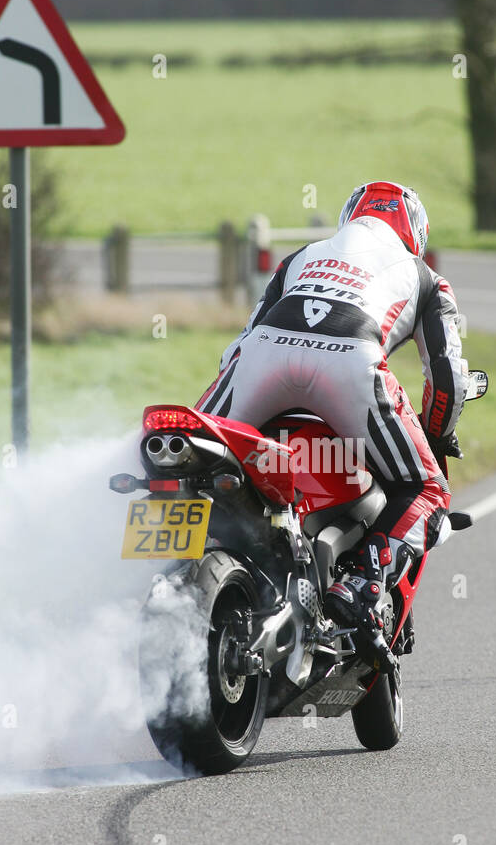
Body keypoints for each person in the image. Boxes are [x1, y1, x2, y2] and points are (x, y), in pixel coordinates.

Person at [196, 180, 468, 670]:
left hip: (261, 359)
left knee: (191, 455)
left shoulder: (301, 256)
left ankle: (144, 564)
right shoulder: (425, 277)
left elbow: (238, 344)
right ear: (417, 232)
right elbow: (446, 379)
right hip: (351, 364)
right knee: (428, 488)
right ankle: (358, 585)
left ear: (350, 216)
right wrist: (438, 431)